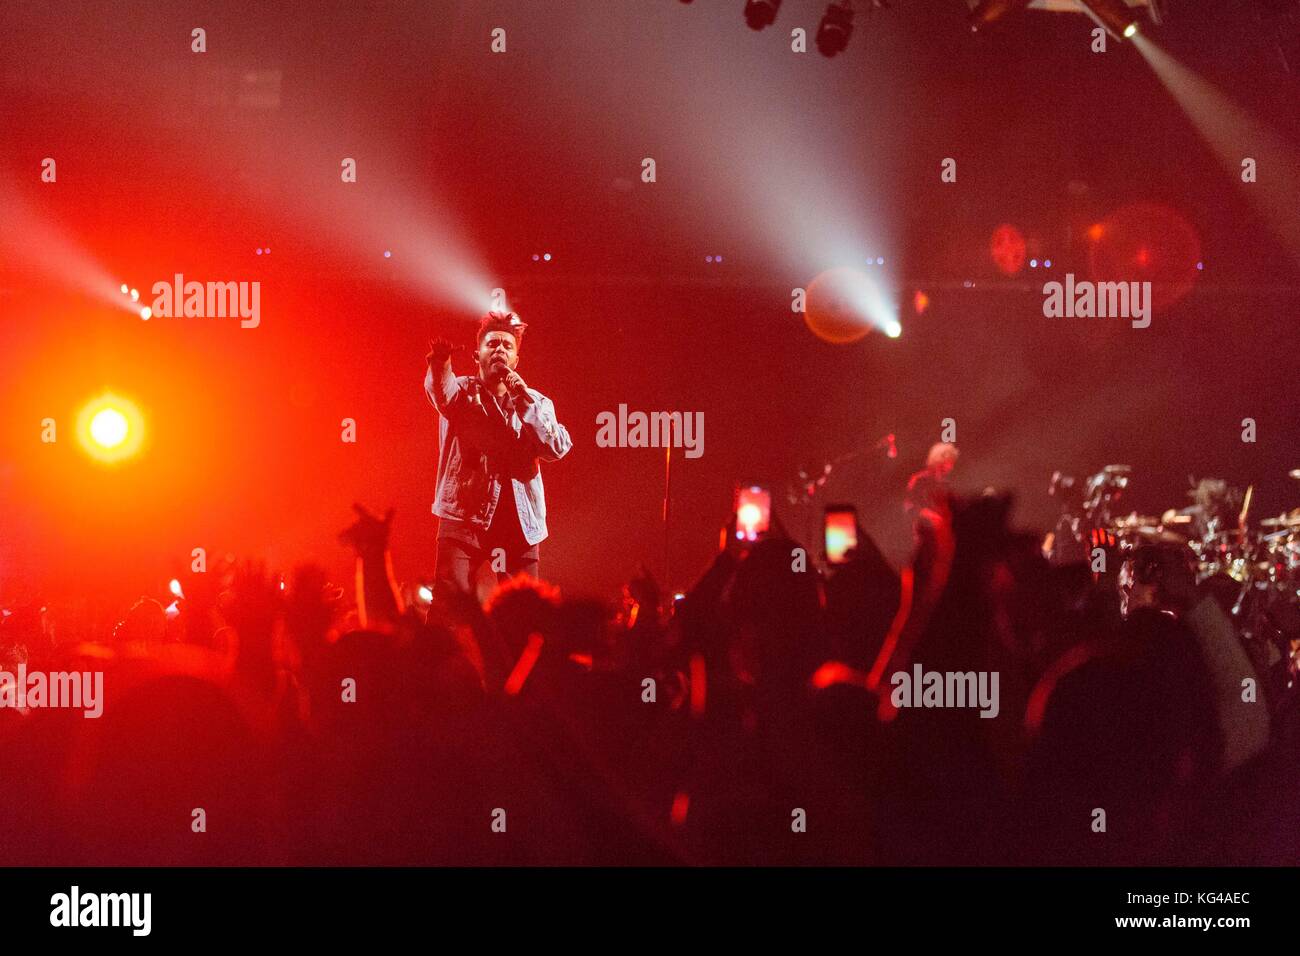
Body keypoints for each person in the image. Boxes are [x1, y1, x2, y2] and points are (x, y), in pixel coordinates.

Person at [425, 311, 572, 599]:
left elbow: (555, 448)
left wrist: (523, 400)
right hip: (464, 516)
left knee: (524, 610)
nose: (499, 350)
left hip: (519, 522)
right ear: (477, 355)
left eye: (507, 345)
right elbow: (441, 391)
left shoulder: (537, 402)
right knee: (448, 602)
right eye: (492, 344)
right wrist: (440, 363)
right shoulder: (462, 394)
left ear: (516, 360)